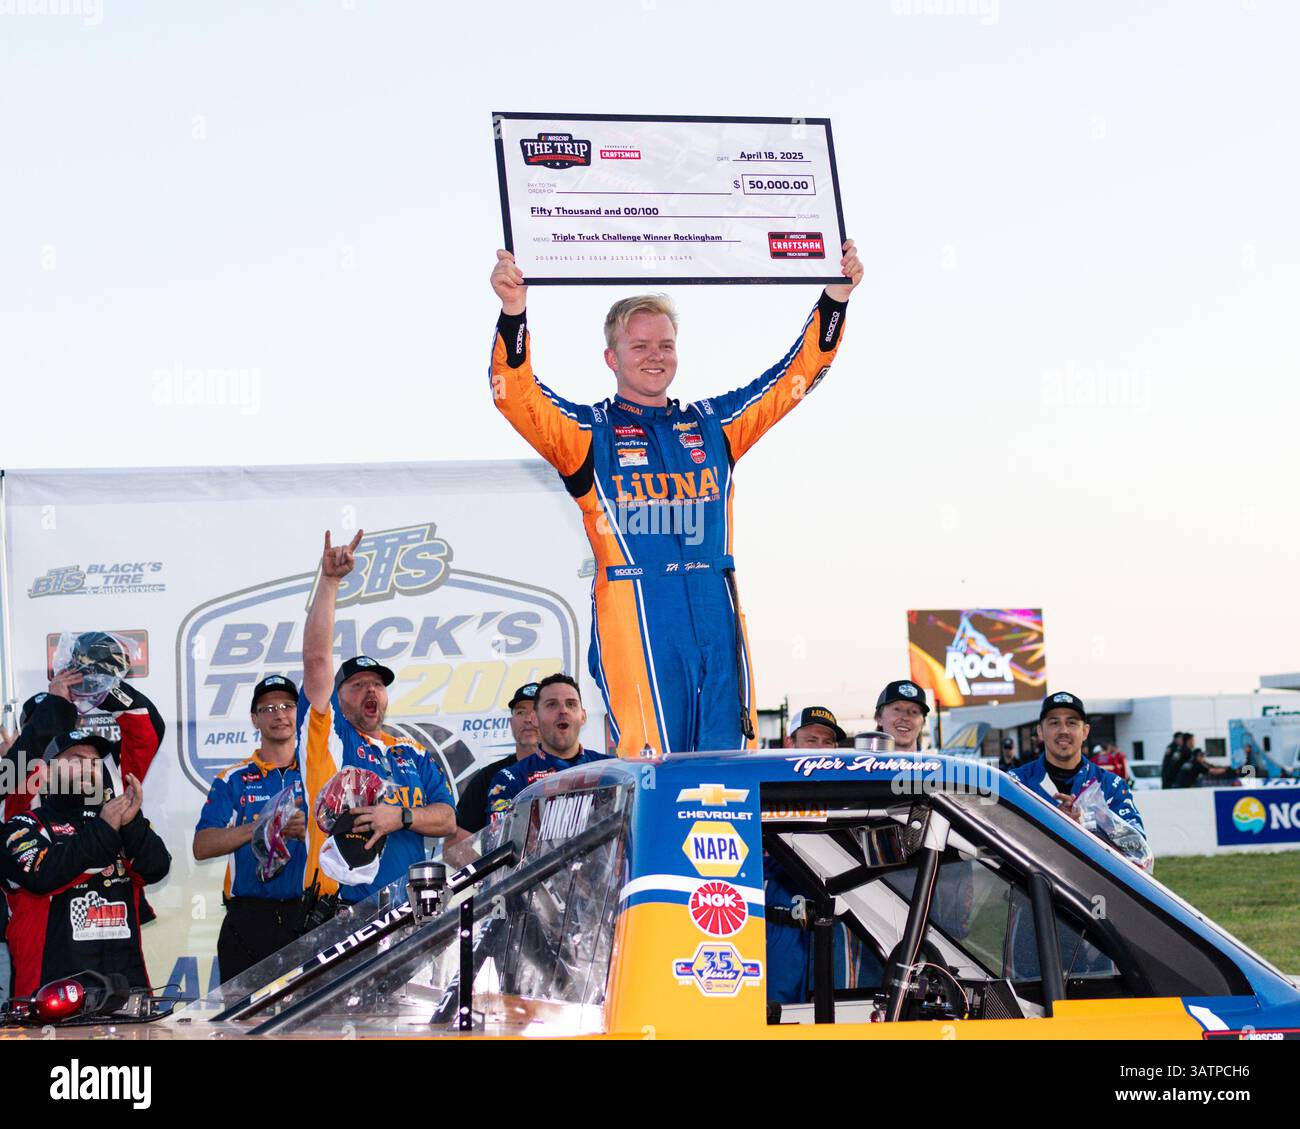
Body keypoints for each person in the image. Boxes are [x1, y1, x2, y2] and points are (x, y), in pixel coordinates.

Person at [488, 241, 864, 758]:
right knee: (655, 767)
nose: (654, 356)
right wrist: (513, 312)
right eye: (639, 346)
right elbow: (516, 395)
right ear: (611, 358)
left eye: (664, 345)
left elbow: (791, 380)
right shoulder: (587, 432)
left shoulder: (713, 425)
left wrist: (836, 296)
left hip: (716, 602)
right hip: (637, 607)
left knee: (727, 769)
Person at [301, 531, 456, 907]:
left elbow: (447, 819)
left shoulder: (411, 752)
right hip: (345, 910)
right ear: (337, 698)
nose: (370, 691)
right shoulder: (333, 737)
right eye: (357, 685)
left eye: (377, 684)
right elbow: (318, 661)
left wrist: (400, 817)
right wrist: (330, 581)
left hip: (413, 911)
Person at [0, 731, 170, 998]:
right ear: (47, 771)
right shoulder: (24, 826)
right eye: (76, 760)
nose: (88, 769)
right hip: (49, 999)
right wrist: (105, 828)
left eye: (94, 763)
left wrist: (132, 823)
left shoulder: (115, 821)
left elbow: (156, 868)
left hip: (125, 992)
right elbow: (44, 876)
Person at [193, 676, 315, 983]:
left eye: (288, 705)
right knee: (239, 1025)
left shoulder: (320, 771)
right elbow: (202, 845)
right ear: (254, 719)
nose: (280, 714)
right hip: (248, 917)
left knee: (308, 1026)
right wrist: (265, 825)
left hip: (310, 914)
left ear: (298, 714)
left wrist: (308, 831)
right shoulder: (233, 778)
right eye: (269, 708)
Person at [1011, 692, 1145, 835]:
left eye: (1072, 723)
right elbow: (993, 841)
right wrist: (1051, 822)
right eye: (1054, 723)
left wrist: (1087, 824)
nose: (1063, 731)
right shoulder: (1015, 782)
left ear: (1085, 732)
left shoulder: (1111, 785)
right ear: (1040, 732)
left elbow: (1137, 849)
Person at [485, 675, 613, 817]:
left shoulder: (611, 769)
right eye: (552, 704)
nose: (563, 710)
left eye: (571, 704)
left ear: (583, 716)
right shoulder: (510, 779)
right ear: (535, 718)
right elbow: (497, 836)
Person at [448, 682, 541, 843]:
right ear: (511, 724)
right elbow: (454, 846)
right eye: (520, 712)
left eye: (535, 712)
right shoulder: (489, 777)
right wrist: (492, 867)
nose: (528, 719)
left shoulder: (569, 771)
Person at [873, 681, 929, 752]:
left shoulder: (938, 762)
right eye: (897, 710)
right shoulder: (860, 761)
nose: (905, 718)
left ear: (923, 723)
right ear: (879, 717)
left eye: (914, 712)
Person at [783, 706, 847, 750]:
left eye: (827, 742)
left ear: (835, 746)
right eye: (811, 741)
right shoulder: (776, 769)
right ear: (790, 743)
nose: (820, 748)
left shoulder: (845, 769)